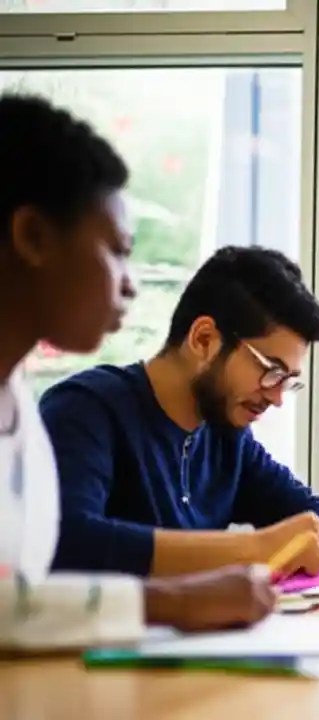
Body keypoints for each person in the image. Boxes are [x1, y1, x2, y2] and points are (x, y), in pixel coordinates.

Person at [0, 93, 272, 649]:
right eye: (118, 251)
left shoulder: (19, 402)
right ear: (32, 236)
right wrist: (174, 601)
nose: (130, 284)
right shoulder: (84, 405)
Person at [41, 246, 319, 579]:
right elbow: (66, 542)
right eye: (271, 371)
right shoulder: (85, 409)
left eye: (287, 380)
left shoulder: (227, 437)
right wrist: (253, 550)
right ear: (204, 339)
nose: (277, 398)